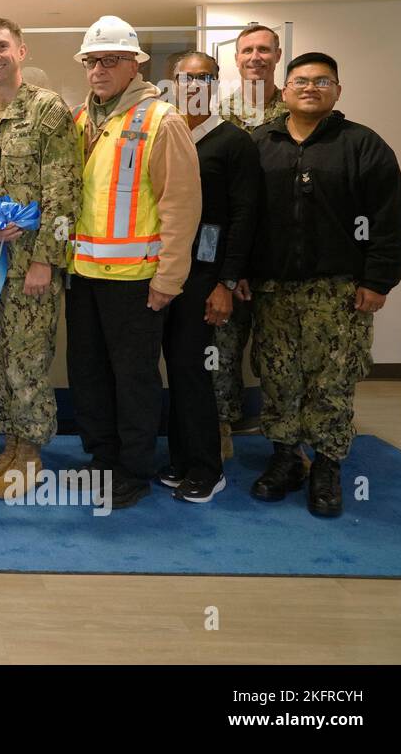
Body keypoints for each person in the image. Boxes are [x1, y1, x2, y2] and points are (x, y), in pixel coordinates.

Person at [248, 52, 401, 517]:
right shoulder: (261, 144)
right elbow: (245, 218)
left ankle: (327, 466)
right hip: (274, 289)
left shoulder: (362, 145)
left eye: (322, 81)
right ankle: (285, 459)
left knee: (332, 382)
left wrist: (379, 280)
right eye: (301, 80)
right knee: (278, 378)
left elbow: (388, 219)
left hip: (339, 291)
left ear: (338, 89)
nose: (310, 87)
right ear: (285, 89)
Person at [66, 16, 202, 509]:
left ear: (134, 64)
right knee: (89, 373)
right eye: (91, 60)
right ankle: (102, 459)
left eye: (110, 60)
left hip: (136, 281)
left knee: (135, 379)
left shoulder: (161, 121)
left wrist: (169, 279)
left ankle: (133, 469)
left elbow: (181, 207)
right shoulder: (81, 121)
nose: (98, 69)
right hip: (83, 277)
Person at [0, 18, 79, 496]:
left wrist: (45, 260)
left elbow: (64, 189)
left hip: (31, 261)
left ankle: (31, 453)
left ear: (21, 51)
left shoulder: (47, 110)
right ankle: (9, 444)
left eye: (1, 46)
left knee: (26, 361)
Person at [158, 52, 260, 503]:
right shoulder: (164, 133)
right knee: (171, 370)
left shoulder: (233, 142)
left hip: (204, 274)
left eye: (204, 77)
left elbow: (245, 215)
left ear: (217, 83)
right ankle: (180, 460)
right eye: (185, 77)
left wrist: (226, 281)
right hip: (160, 269)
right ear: (171, 83)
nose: (194, 84)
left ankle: (206, 467)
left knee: (192, 369)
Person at [213, 24, 290, 452]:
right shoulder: (220, 115)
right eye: (247, 50)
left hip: (281, 253)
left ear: (277, 55)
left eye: (264, 49)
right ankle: (221, 429)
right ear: (236, 58)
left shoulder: (297, 111)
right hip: (230, 253)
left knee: (280, 349)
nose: (255, 57)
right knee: (222, 345)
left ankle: (286, 440)